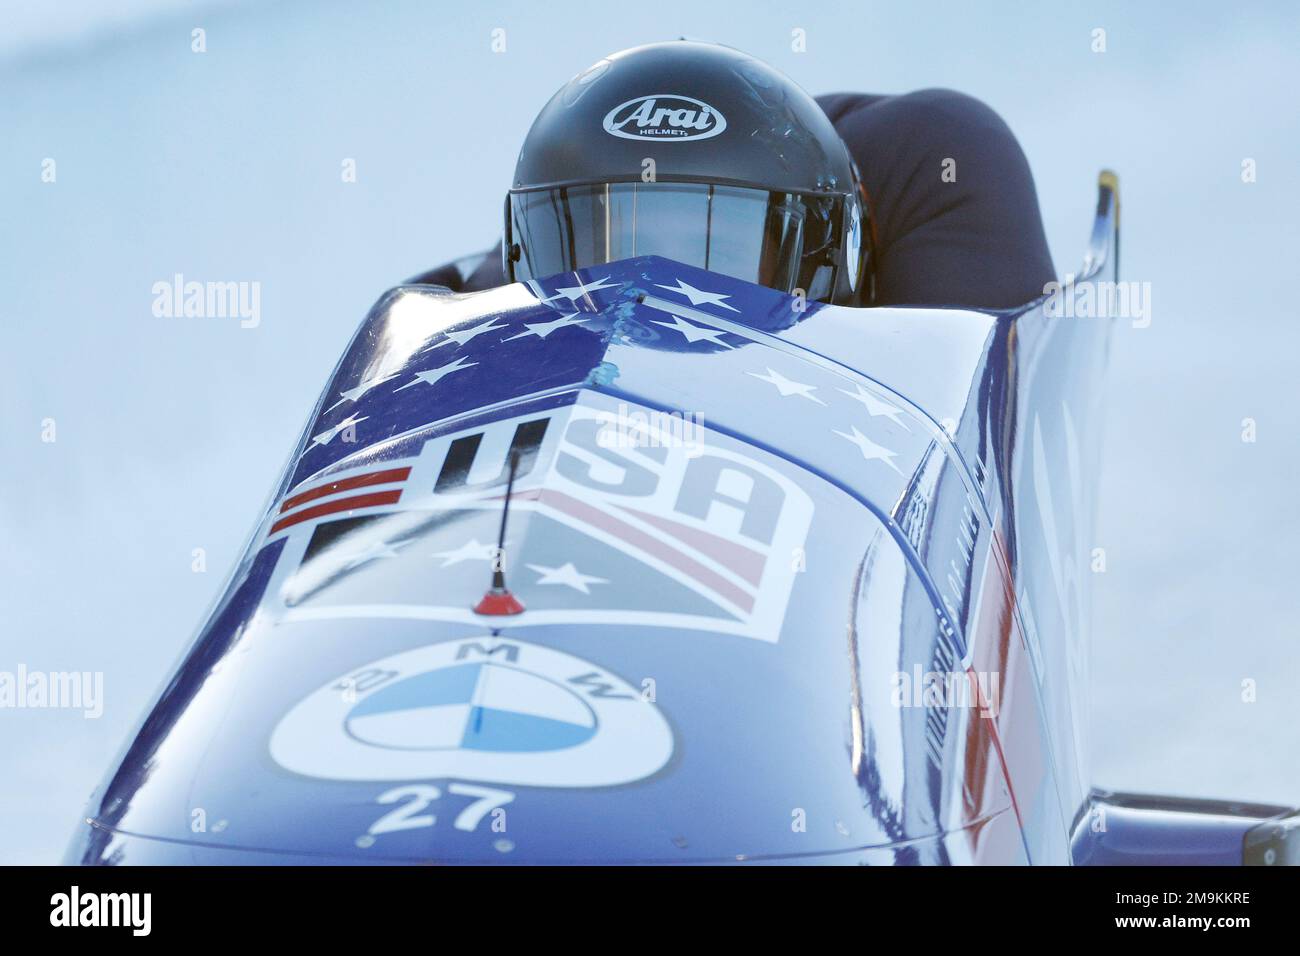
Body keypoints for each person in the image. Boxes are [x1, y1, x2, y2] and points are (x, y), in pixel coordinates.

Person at [409, 40, 1055, 312]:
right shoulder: (504, 281)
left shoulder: (937, 165)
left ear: (831, 257)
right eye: (613, 249)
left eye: (712, 248)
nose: (653, 303)